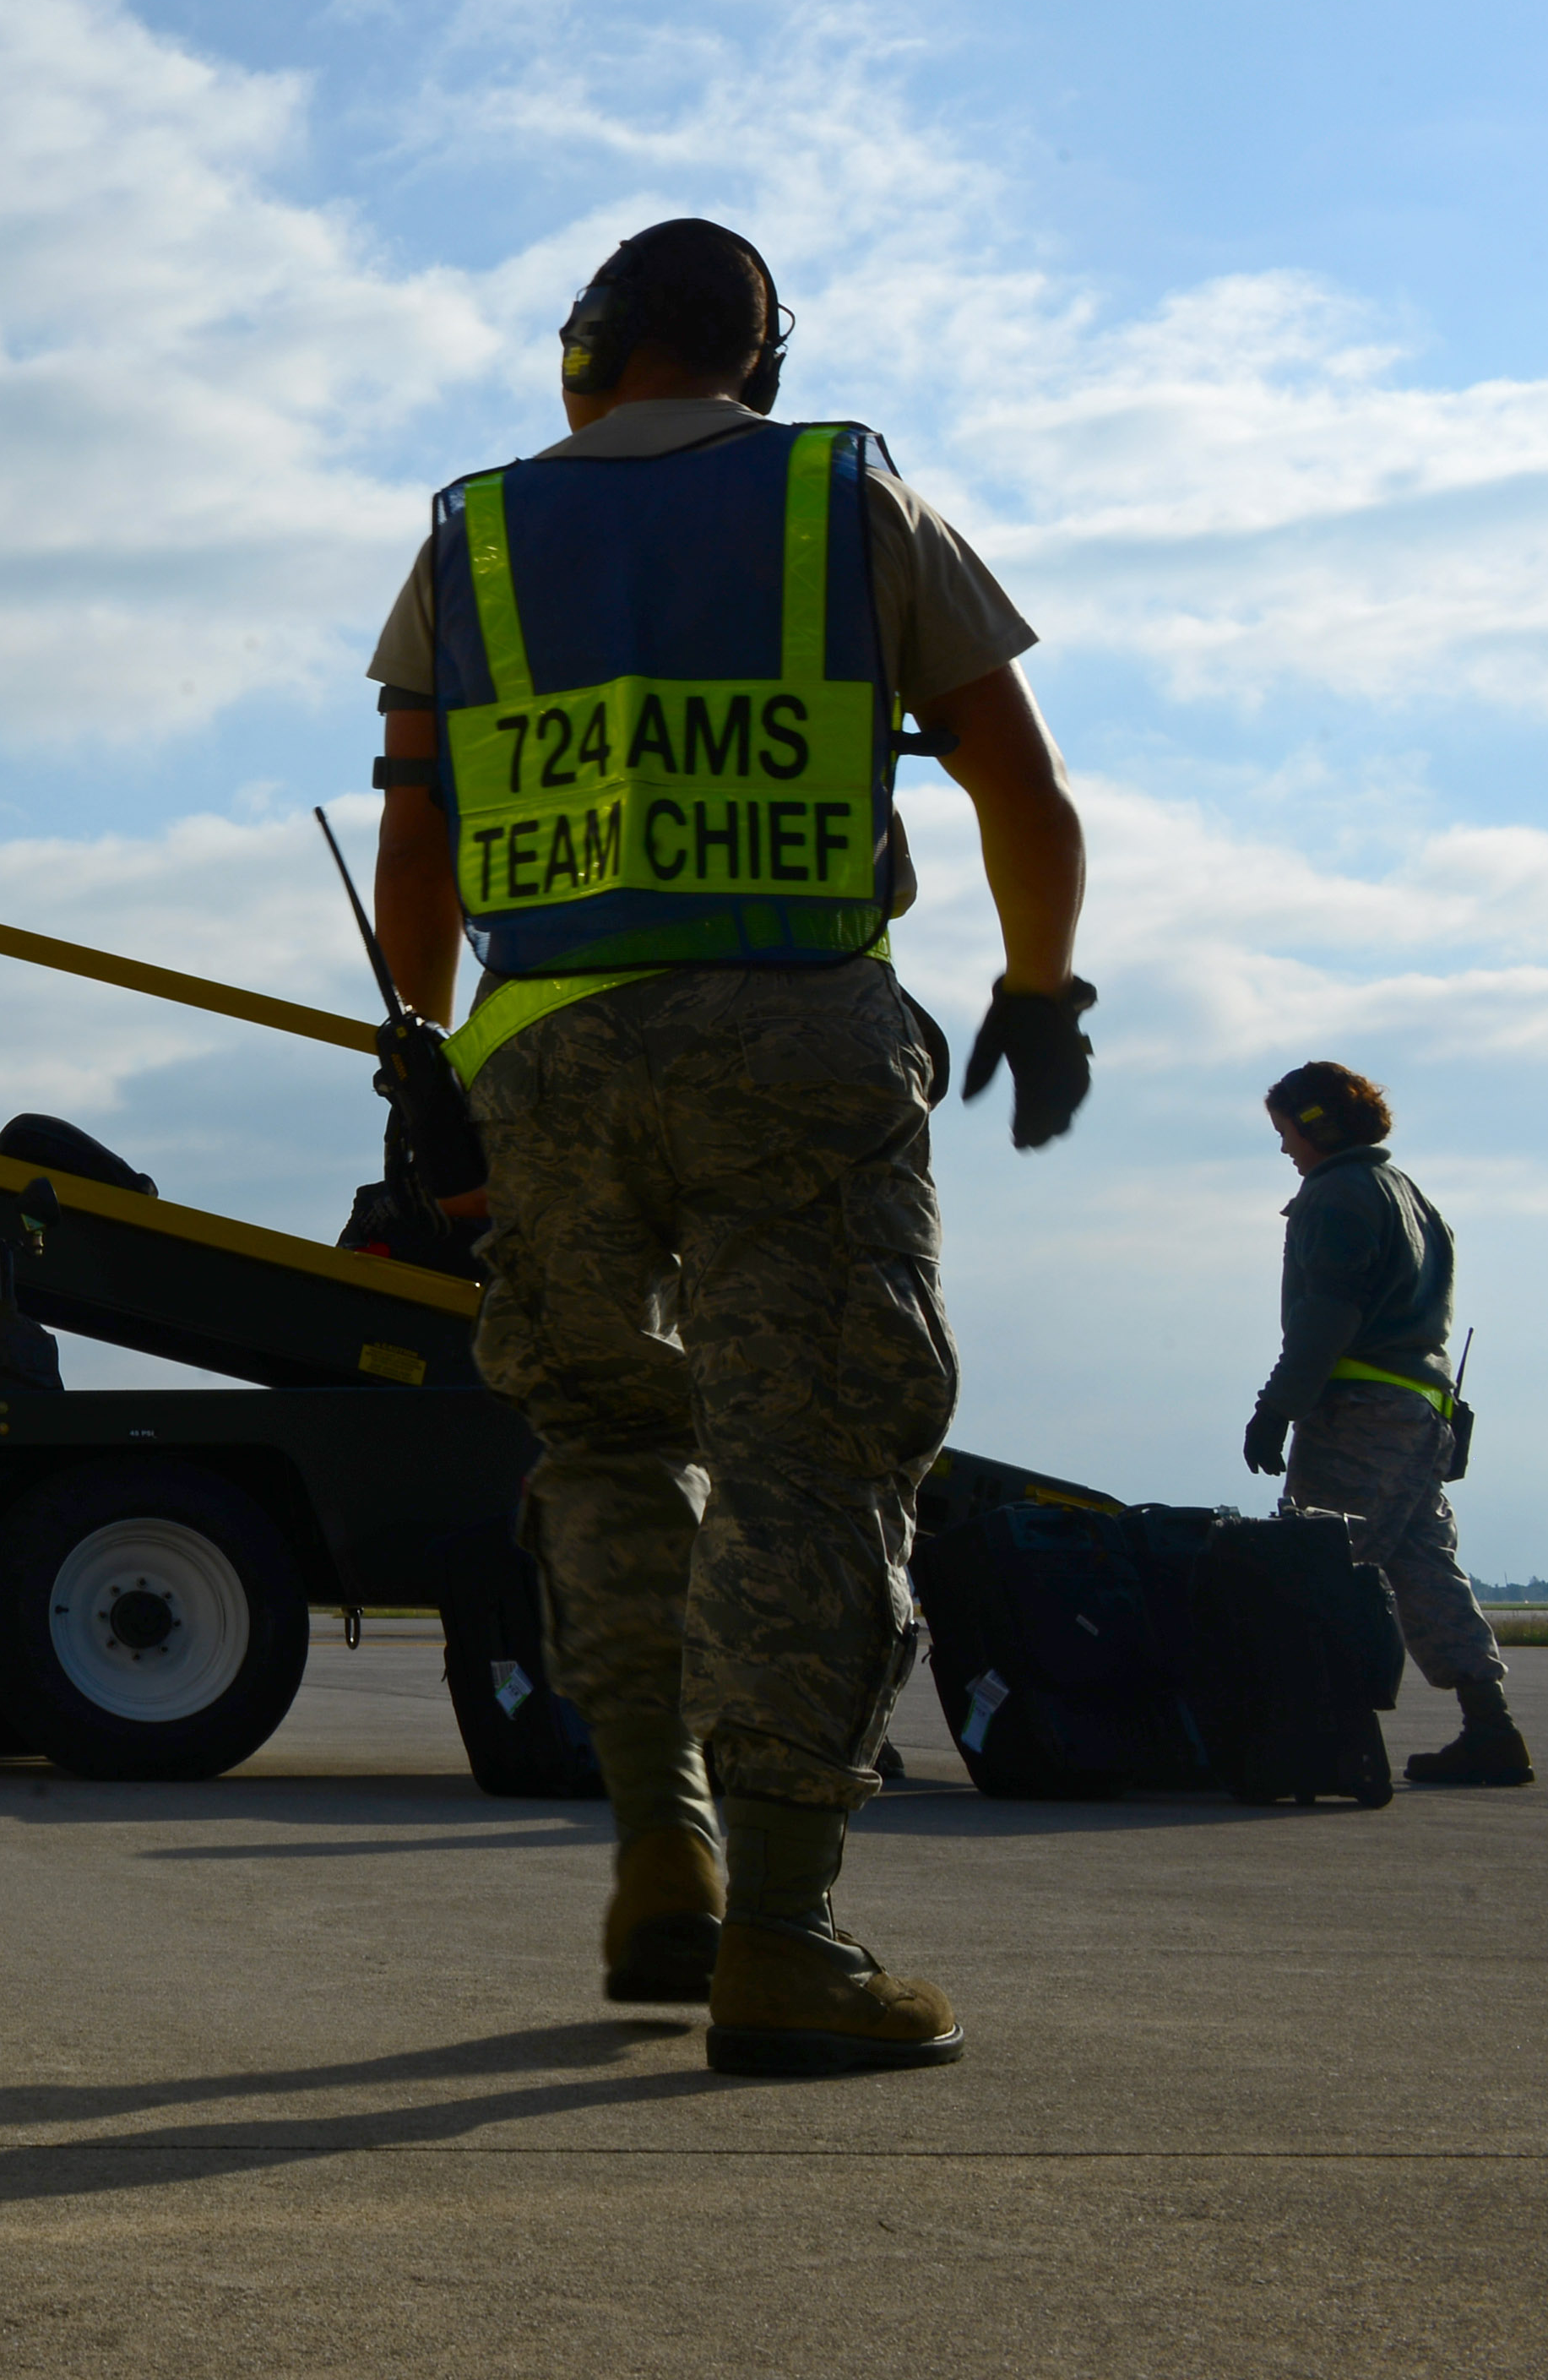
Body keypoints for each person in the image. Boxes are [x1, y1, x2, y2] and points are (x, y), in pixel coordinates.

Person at [367, 218, 1094, 2078]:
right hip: (793, 1044)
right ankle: (784, 1935)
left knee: (613, 1440)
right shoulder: (844, 498)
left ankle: (660, 1854)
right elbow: (1018, 780)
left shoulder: (473, 536)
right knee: (809, 1458)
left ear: (591, 348)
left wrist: (422, 1050)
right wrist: (1040, 987)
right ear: (760, 358)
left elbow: (418, 868)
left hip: (545, 1062)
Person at [1246, 1062, 1524, 1786]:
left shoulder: (1336, 1195)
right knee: (1425, 1569)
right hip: (1419, 1416)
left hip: (1358, 1418)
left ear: (1317, 1126)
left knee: (1319, 1570)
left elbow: (1326, 1316)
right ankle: (1490, 1728)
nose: (1284, 1150)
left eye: (1285, 1133)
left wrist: (1276, 1406)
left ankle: (1317, 1738)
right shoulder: (1411, 1196)